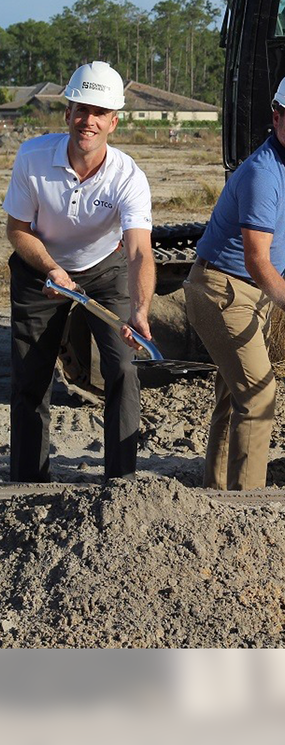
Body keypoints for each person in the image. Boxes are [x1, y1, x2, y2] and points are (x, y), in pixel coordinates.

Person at [3, 61, 154, 482]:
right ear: (67, 113)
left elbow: (139, 249)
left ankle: (121, 483)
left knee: (123, 368)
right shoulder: (33, 158)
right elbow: (17, 230)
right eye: (81, 110)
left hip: (105, 272)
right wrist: (51, 268)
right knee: (31, 377)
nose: (88, 120)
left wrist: (140, 311)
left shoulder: (128, 177)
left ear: (113, 122)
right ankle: (28, 483)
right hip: (40, 269)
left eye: (99, 113)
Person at [184, 68, 285, 491]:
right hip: (221, 289)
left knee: (234, 396)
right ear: (277, 118)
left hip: (251, 292)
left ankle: (217, 496)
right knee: (260, 395)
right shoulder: (261, 173)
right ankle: (249, 506)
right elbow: (256, 262)